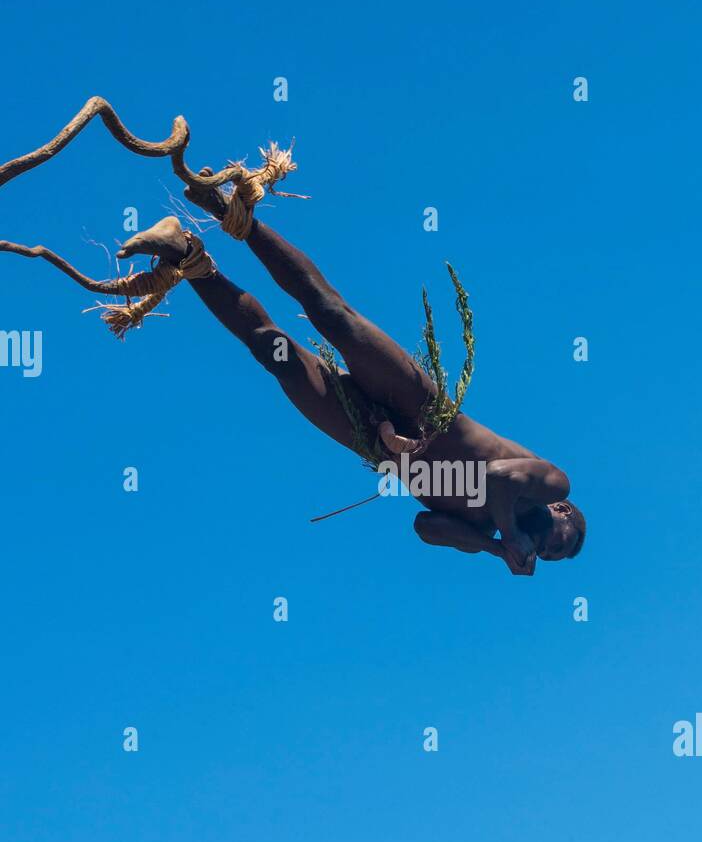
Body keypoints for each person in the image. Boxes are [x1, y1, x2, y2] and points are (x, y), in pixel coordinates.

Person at [118, 212, 586, 576]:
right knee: (331, 314)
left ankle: (185, 253)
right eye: (561, 544)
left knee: (273, 353)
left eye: (552, 558)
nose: (548, 551)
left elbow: (426, 528)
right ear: (562, 511)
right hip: (419, 406)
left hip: (371, 438)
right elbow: (501, 476)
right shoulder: (553, 483)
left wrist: (492, 547)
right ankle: (234, 212)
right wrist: (507, 534)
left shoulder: (484, 527)